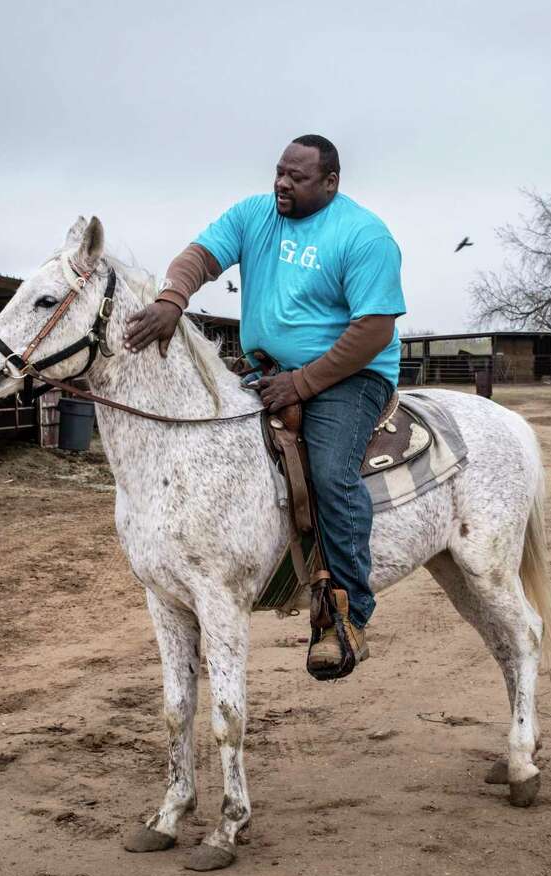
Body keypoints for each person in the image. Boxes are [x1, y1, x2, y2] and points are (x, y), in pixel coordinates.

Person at [123, 135, 406, 675]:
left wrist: (302, 385)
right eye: (278, 172)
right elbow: (199, 257)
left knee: (328, 471)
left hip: (350, 374)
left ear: (330, 182)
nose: (281, 183)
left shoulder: (365, 236)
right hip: (266, 371)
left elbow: (372, 331)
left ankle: (346, 616)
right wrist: (171, 299)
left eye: (296, 177)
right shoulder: (256, 215)